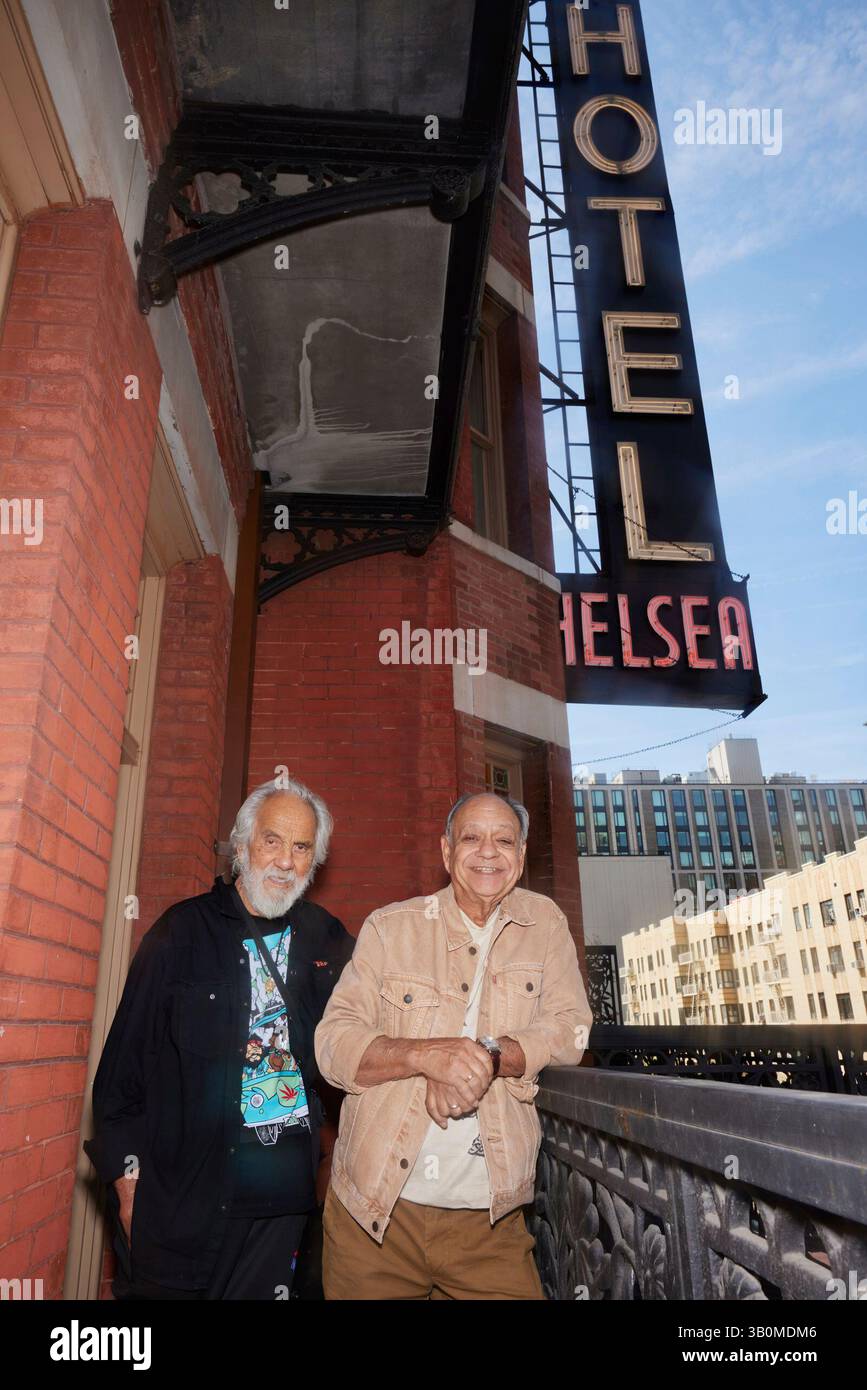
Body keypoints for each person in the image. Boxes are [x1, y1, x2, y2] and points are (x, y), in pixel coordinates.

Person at [315, 791, 592, 1300]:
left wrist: (486, 1057)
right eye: (472, 838)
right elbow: (333, 1044)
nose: (488, 852)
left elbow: (571, 1028)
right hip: (373, 1219)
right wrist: (429, 1057)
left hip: (490, 1225)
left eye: (504, 840)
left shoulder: (545, 924)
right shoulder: (389, 927)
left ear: (522, 855)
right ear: (446, 852)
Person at [85, 777, 353, 1299]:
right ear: (243, 845)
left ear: (313, 862)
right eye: (272, 840)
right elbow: (120, 1078)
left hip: (280, 1213)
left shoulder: (328, 939)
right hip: (181, 1205)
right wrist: (127, 1183)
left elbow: (368, 1036)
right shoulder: (179, 934)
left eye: (301, 848)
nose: (284, 861)